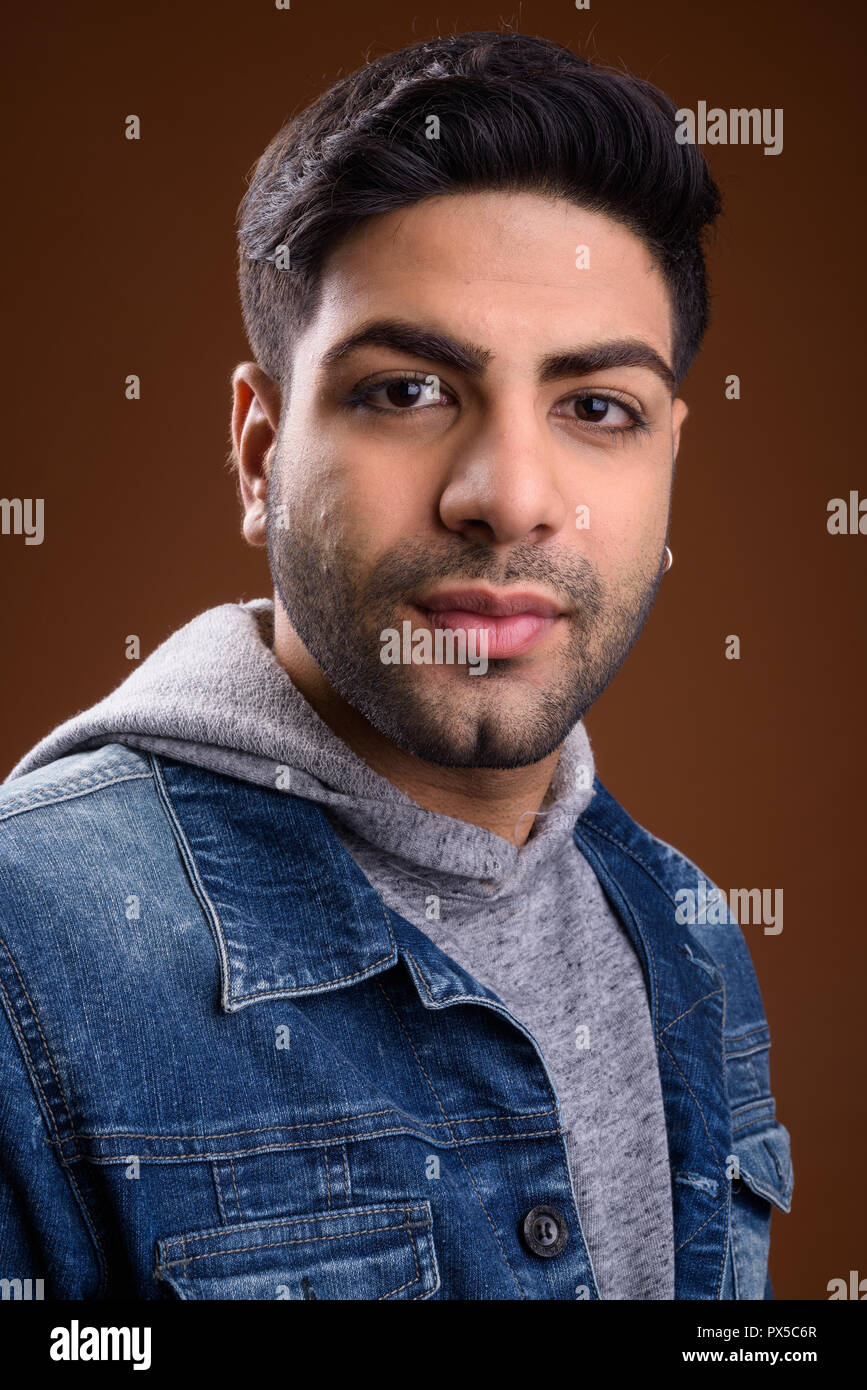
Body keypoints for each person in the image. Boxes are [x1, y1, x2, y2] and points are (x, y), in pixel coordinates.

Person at [0, 30, 791, 1301]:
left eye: (597, 408)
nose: (510, 498)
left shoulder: (688, 938)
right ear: (261, 454)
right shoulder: (22, 946)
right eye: (410, 390)